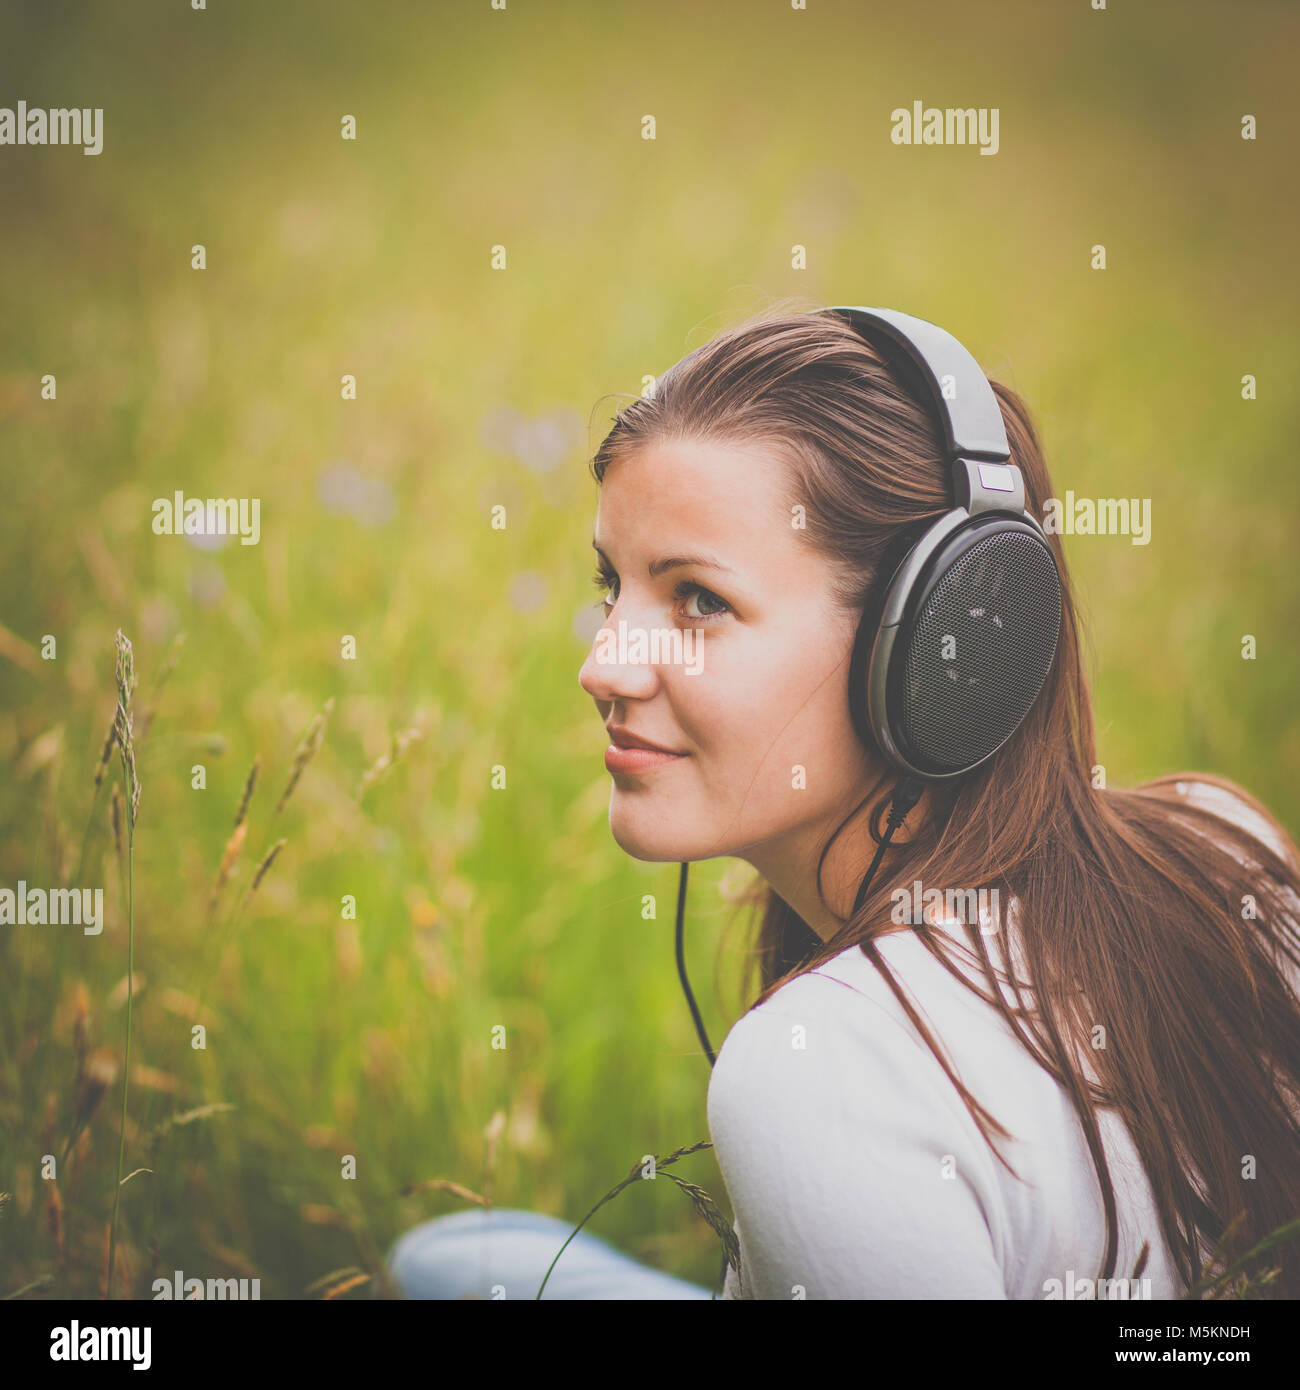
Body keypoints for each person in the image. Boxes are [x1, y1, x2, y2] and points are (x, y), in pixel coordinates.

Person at [387, 300, 1300, 1300]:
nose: (602, 665)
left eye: (698, 599)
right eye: (616, 586)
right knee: (451, 1260)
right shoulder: (1221, 839)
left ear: (937, 646)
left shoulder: (813, 1073)